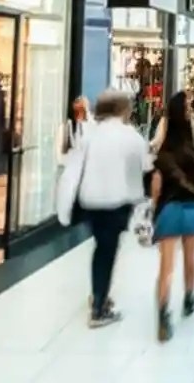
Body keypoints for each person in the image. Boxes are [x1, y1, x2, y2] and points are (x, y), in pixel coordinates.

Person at [76, 90, 150, 328]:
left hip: (90, 200)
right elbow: (144, 166)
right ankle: (99, 307)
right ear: (122, 109)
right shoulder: (130, 136)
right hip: (116, 202)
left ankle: (98, 294)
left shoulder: (89, 133)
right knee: (107, 251)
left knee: (101, 248)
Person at [151, 92, 194, 341]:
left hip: (169, 209)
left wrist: (155, 214)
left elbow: (155, 187)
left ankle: (163, 316)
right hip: (193, 209)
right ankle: (189, 297)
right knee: (191, 258)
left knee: (166, 267)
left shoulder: (163, 154)